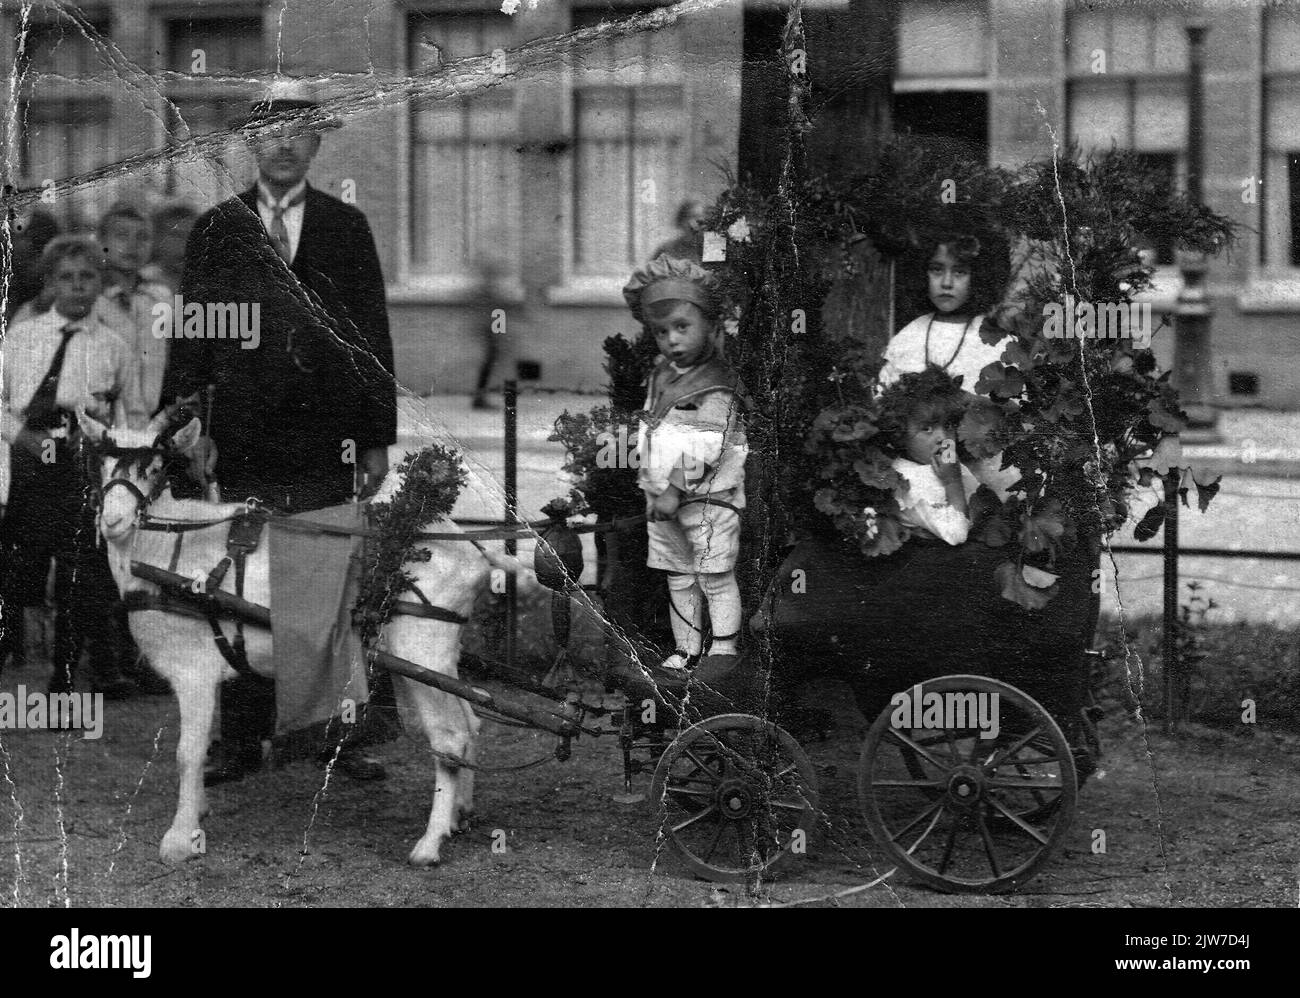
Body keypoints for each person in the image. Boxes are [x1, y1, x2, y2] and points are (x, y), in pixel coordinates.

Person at [161, 80, 396, 785]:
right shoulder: (218, 229)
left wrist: (376, 435)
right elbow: (193, 334)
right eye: (269, 133)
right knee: (239, 580)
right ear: (250, 144)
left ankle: (336, 735)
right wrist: (185, 419)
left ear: (318, 141)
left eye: (299, 131)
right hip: (245, 435)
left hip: (328, 437)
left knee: (328, 577)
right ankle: (240, 740)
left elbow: (370, 337)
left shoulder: (345, 229)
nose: (284, 145)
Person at [0, 235, 134, 697]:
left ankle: (64, 678)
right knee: (18, 571)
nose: (77, 286)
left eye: (87, 277)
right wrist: (23, 438)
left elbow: (123, 416)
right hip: (30, 463)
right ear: (51, 283)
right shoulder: (21, 337)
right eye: (66, 278)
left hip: (82, 469)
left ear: (100, 281)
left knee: (79, 575)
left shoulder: (114, 346)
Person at [623, 255, 747, 672]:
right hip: (662, 500)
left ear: (711, 327)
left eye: (682, 327)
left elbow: (709, 444)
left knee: (713, 574)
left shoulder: (716, 383)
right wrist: (655, 485)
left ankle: (724, 647)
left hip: (707, 499)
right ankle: (687, 647)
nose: (672, 339)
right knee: (679, 574)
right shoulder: (663, 374)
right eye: (661, 331)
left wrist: (675, 487)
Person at [878, 233, 1018, 499]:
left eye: (960, 272)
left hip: (984, 481)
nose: (946, 282)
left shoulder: (995, 340)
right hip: (920, 483)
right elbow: (882, 399)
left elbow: (1016, 411)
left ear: (978, 276)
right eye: (936, 269)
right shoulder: (911, 335)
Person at [878, 368, 981, 546]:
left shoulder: (947, 462)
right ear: (900, 435)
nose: (943, 437)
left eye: (948, 425)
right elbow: (956, 534)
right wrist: (952, 482)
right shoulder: (908, 480)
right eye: (927, 429)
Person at [93, 202, 173, 431]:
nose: (132, 245)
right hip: (100, 424)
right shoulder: (91, 297)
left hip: (148, 423)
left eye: (142, 237)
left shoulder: (160, 297)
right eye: (121, 236)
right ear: (101, 242)